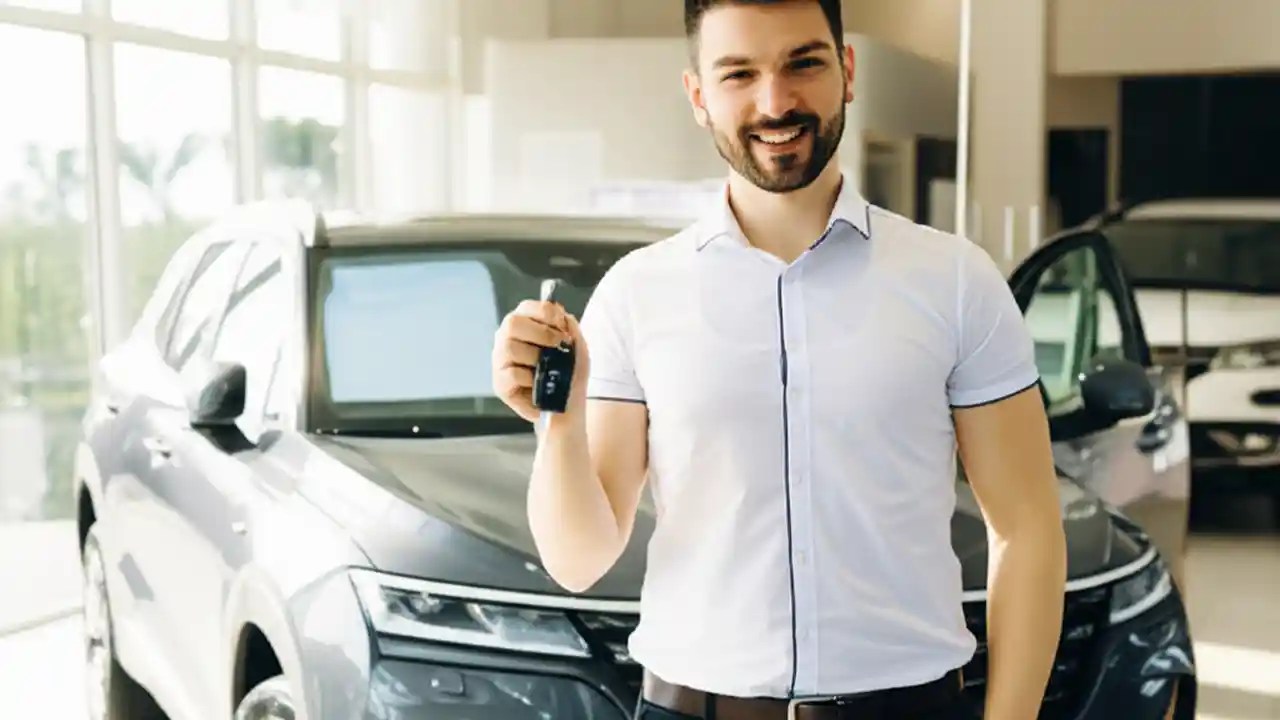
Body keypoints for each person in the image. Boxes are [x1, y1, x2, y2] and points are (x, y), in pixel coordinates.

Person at [491, 1, 1068, 718]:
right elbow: (579, 561)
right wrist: (559, 423)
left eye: (804, 62)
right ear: (699, 96)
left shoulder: (954, 280)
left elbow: (1026, 528)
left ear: (847, 70)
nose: (776, 102)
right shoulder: (637, 295)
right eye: (739, 74)